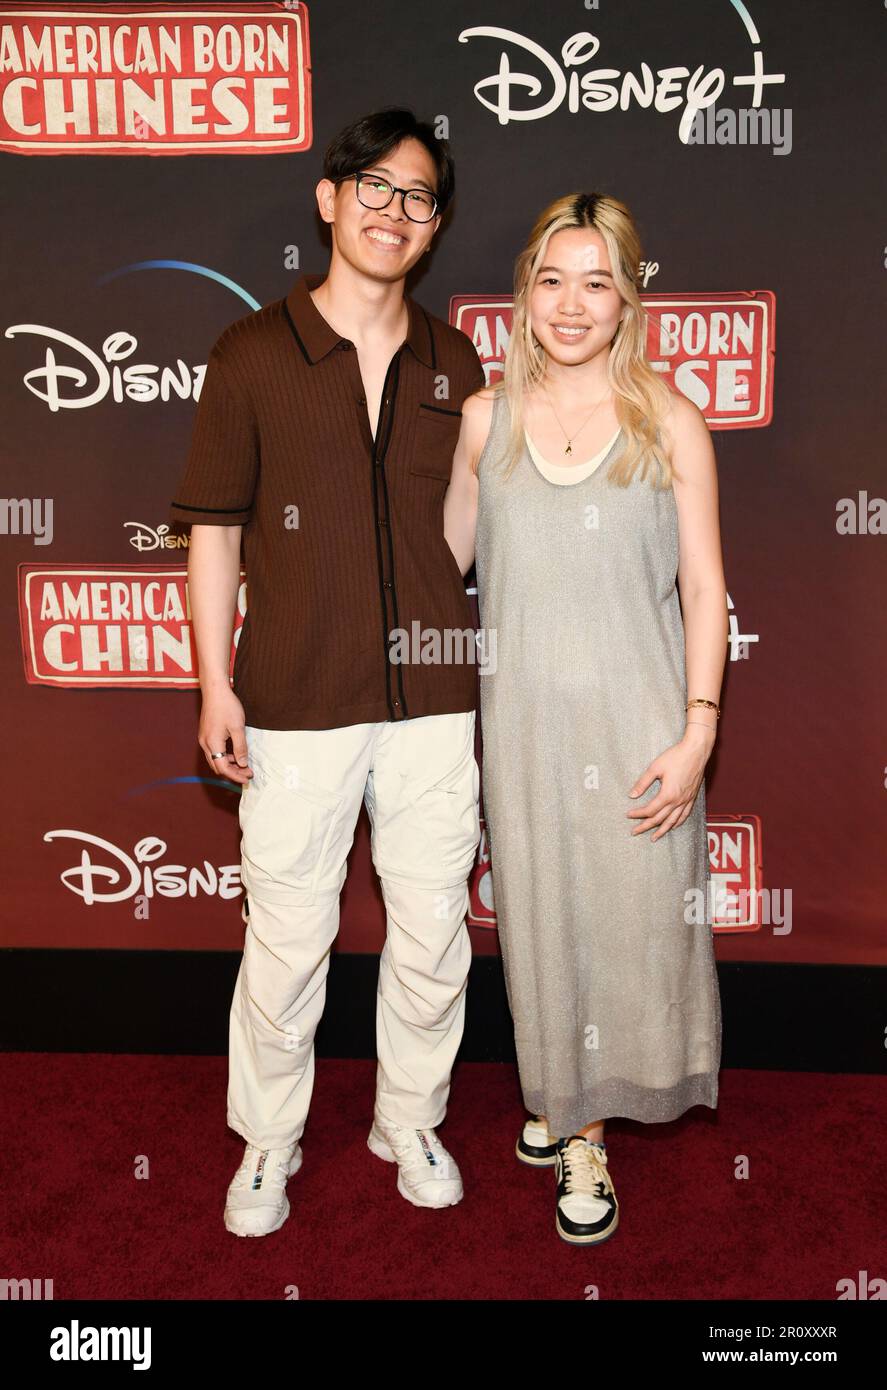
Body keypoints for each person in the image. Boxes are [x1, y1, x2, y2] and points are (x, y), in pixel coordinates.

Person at [169, 108, 486, 1237]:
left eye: (417, 197)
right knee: (289, 937)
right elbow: (212, 531)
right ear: (328, 197)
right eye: (374, 188)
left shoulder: (457, 361)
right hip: (294, 702)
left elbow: (456, 538)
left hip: (434, 704)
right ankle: (268, 1139)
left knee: (433, 930)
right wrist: (216, 683)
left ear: (436, 223)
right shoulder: (252, 351)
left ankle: (409, 1117)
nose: (393, 213)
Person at [444, 192, 726, 1245]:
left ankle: (582, 1130)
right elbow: (440, 573)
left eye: (594, 281)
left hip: (638, 724)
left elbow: (704, 589)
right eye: (551, 278)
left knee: (627, 925)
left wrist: (697, 729)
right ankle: (565, 1100)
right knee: (539, 924)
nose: (570, 303)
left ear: (625, 297)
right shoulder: (484, 419)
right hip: (521, 733)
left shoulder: (669, 416)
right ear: (523, 291)